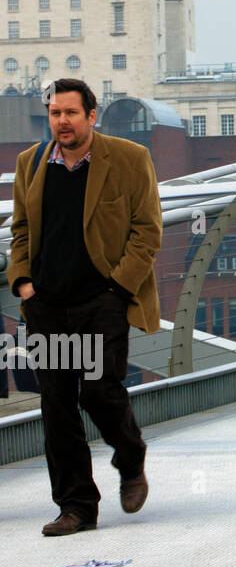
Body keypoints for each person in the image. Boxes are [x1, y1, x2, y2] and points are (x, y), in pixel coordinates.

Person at [8, 78, 162, 536]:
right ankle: (76, 507)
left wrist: (118, 289)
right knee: (57, 406)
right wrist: (23, 284)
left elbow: (147, 231)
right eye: (55, 113)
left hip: (102, 300)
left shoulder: (130, 159)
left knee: (98, 391)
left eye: (71, 113)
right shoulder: (30, 163)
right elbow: (19, 229)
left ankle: (130, 455)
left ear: (91, 116)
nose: (62, 121)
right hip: (48, 305)